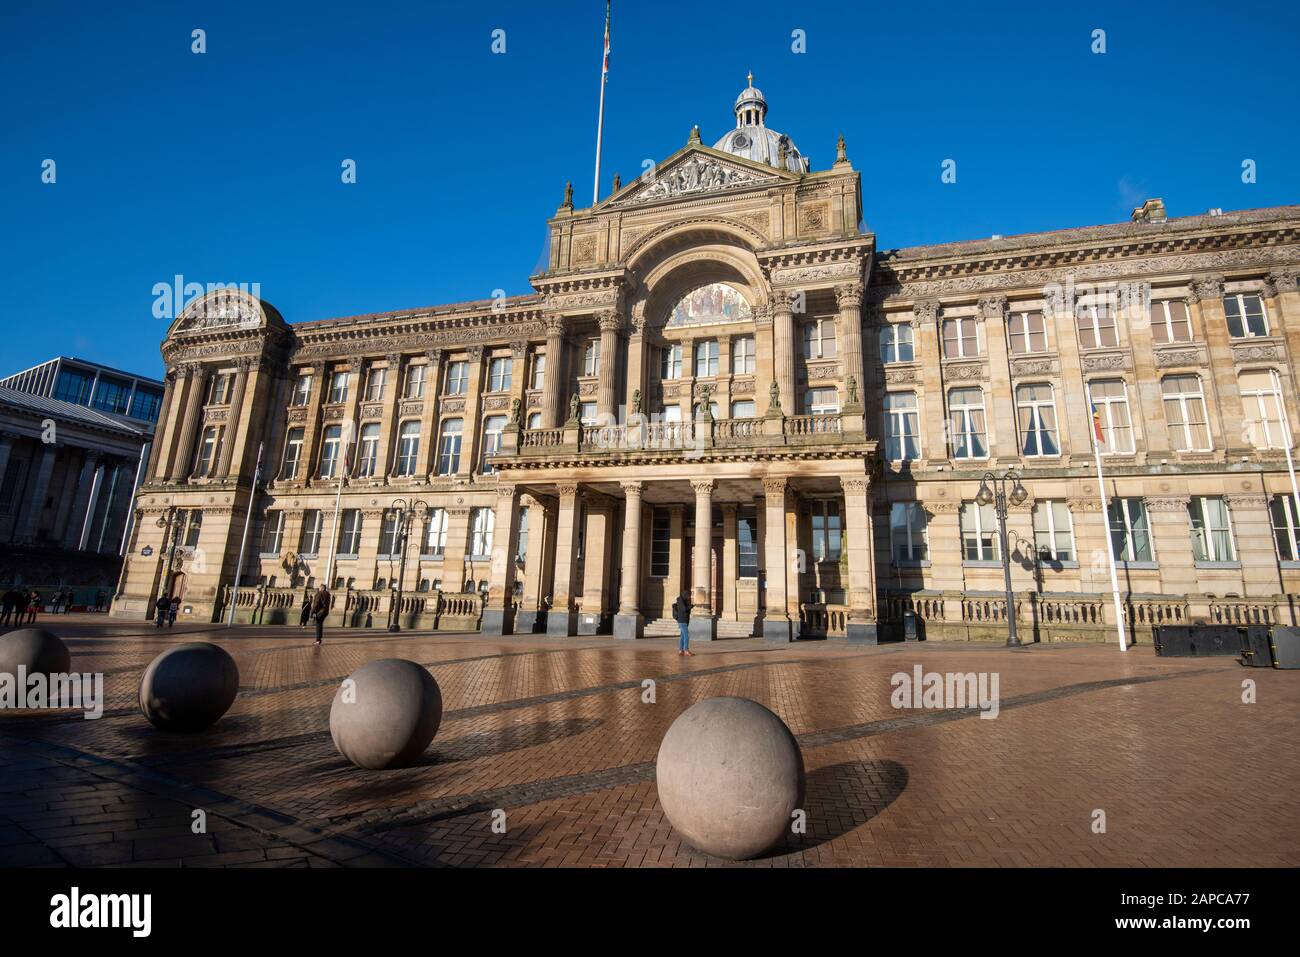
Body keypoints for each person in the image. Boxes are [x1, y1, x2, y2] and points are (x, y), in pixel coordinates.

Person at [672, 591, 693, 657]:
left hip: (684, 621)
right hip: (682, 621)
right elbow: (684, 609)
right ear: (685, 595)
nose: (689, 597)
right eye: (688, 595)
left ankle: (681, 650)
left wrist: (690, 606)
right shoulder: (680, 601)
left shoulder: (683, 601)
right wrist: (690, 607)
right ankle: (686, 650)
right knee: (686, 636)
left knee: (682, 636)